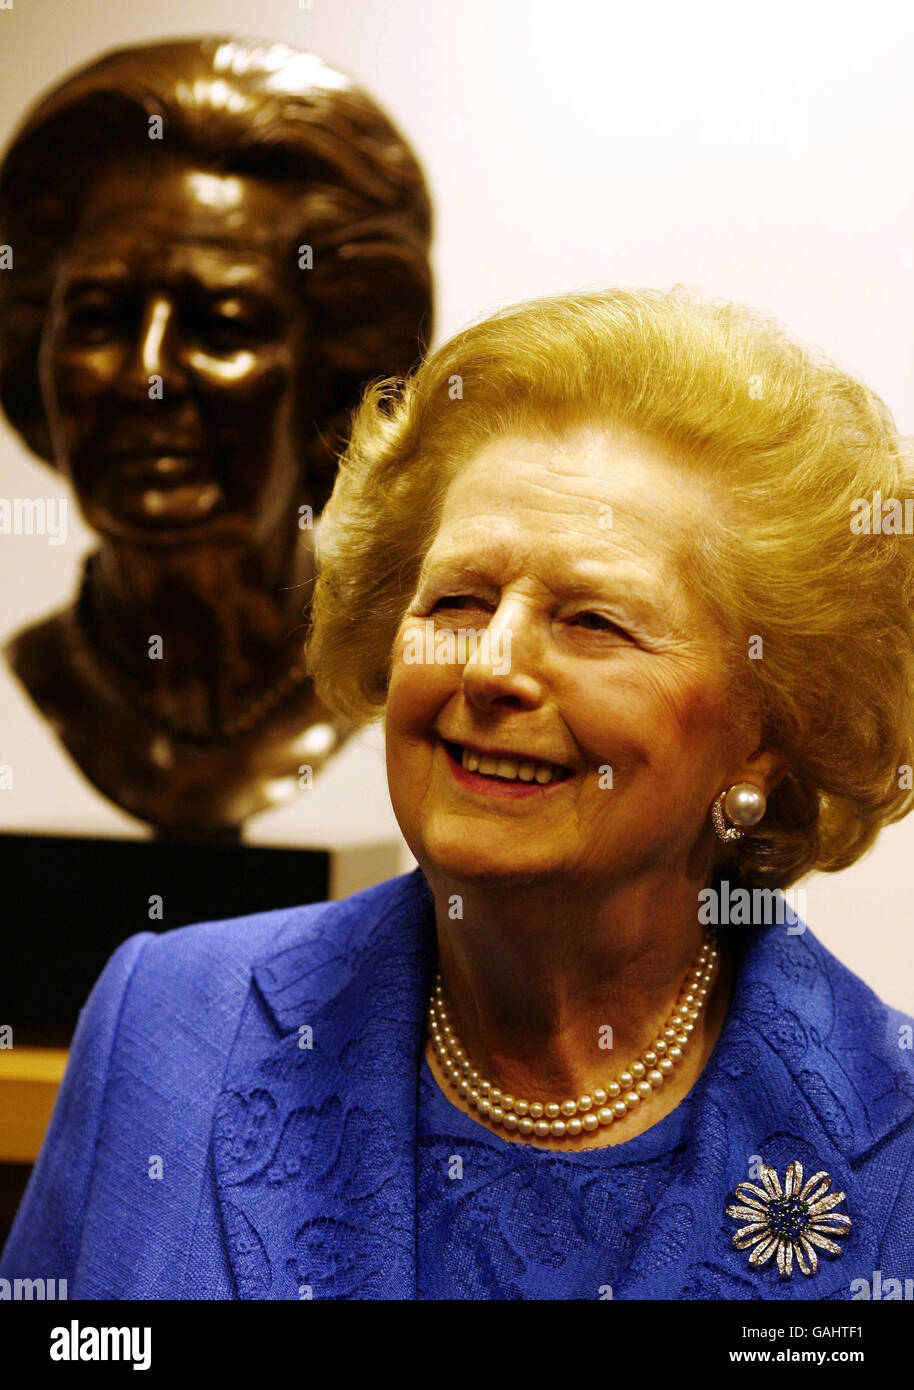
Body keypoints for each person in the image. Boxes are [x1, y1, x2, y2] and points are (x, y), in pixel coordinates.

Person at [3, 286, 913, 1299]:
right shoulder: (165, 1025)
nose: (488, 666)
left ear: (764, 732)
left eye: (592, 621)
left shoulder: (894, 1138)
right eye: (455, 600)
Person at [0, 36, 433, 829]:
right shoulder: (35, 685)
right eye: (97, 319)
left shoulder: (400, 681)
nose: (146, 375)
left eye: (223, 324)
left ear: (331, 365)